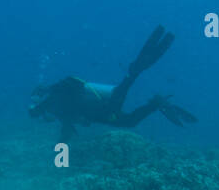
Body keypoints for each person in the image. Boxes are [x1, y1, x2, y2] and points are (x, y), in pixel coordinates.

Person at [29, 25, 197, 140]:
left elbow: (50, 109)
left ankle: (152, 93)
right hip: (105, 108)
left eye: (45, 118)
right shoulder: (58, 108)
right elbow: (67, 125)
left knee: (132, 77)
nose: (47, 121)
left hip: (107, 103)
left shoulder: (54, 101)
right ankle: (155, 102)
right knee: (129, 114)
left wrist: (39, 107)